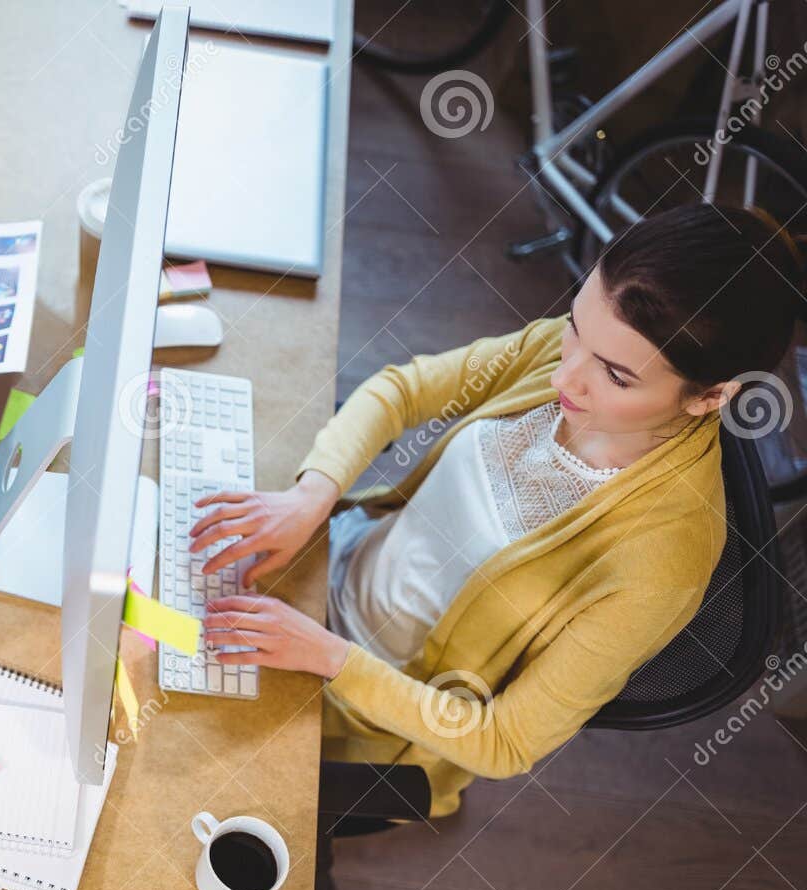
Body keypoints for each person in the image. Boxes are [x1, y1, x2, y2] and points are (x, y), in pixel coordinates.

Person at [189, 203, 801, 817]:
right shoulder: (561, 358)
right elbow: (403, 390)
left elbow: (504, 741)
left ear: (713, 397)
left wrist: (325, 656)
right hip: (320, 569)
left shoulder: (661, 565)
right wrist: (311, 495)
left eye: (615, 376)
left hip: (359, 704)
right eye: (577, 327)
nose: (567, 377)